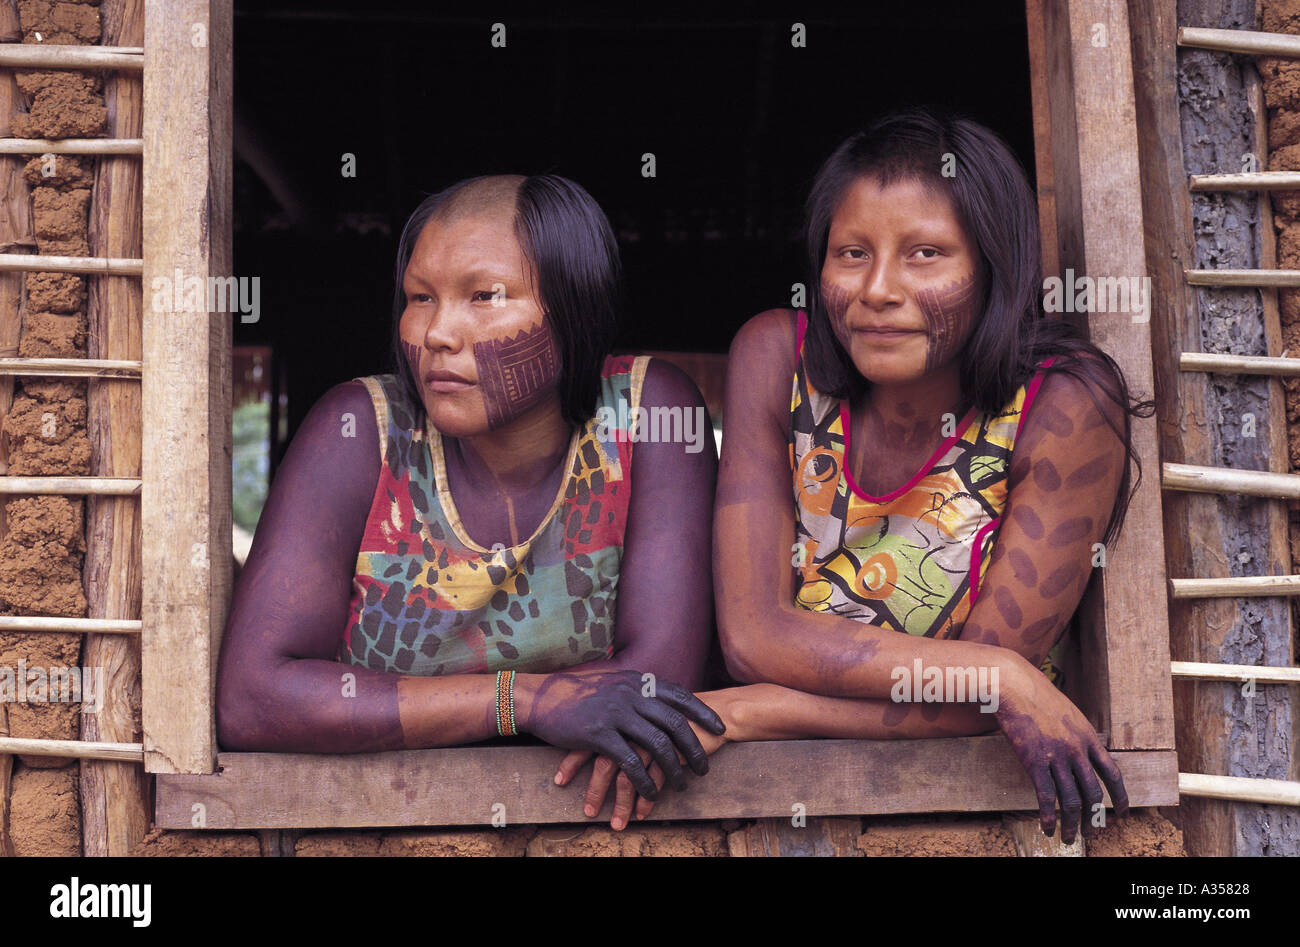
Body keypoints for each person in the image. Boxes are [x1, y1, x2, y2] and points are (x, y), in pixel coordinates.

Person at [563, 108, 1151, 844]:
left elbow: (964, 704)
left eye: (926, 254)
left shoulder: (1063, 405)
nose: (877, 288)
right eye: (851, 253)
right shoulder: (778, 356)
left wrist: (744, 712)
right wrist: (998, 675)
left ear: (994, 267)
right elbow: (751, 634)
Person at [216, 174, 723, 813]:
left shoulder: (650, 414)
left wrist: (402, 709)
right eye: (420, 297)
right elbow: (254, 698)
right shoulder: (358, 430)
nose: (436, 334)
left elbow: (658, 687)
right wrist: (527, 702)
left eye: (484, 297)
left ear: (576, 308)